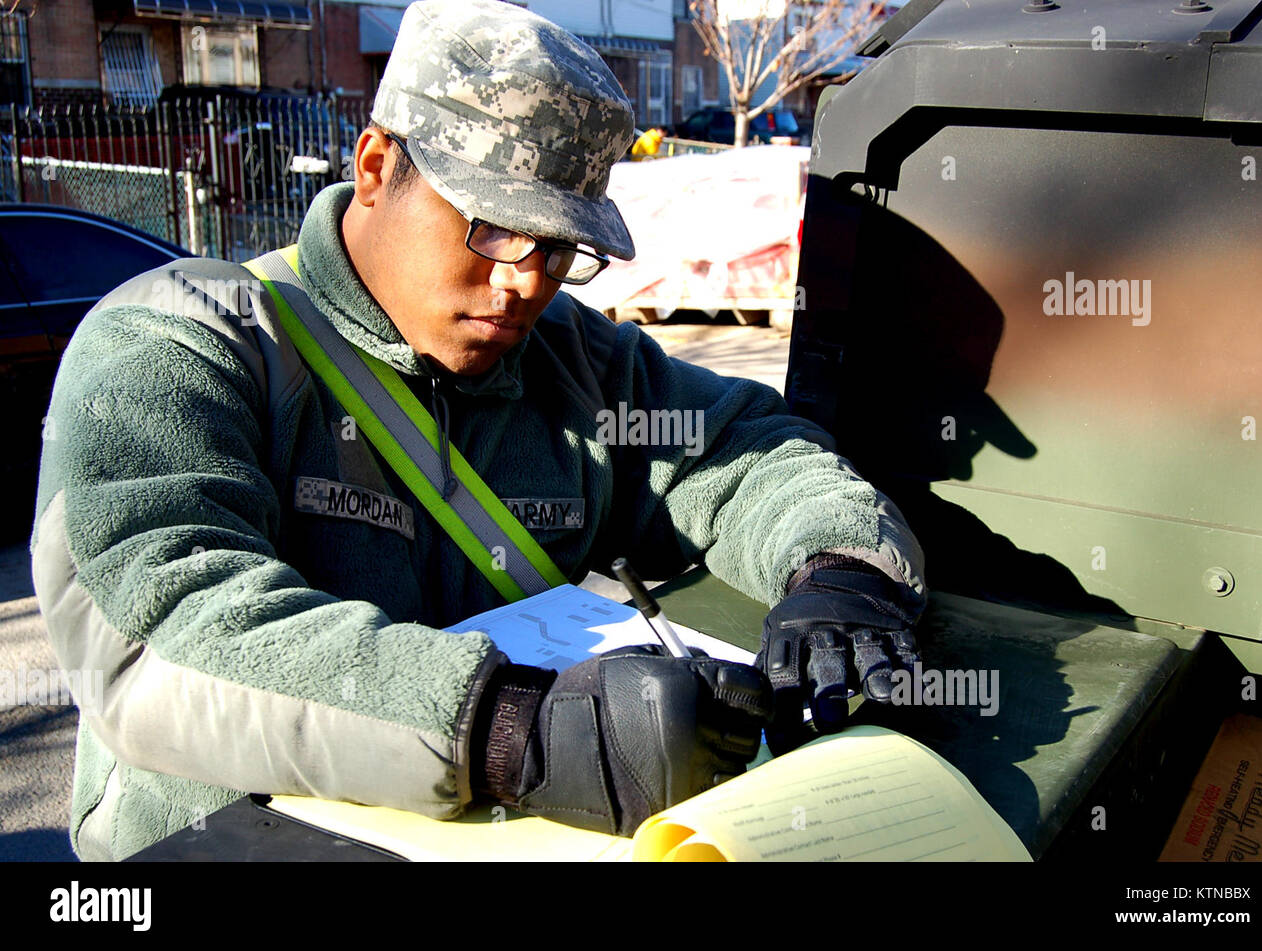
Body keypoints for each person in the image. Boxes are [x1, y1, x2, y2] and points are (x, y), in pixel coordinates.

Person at [32, 0, 926, 860]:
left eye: (560, 247)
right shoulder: (184, 338)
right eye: (496, 228)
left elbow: (740, 452)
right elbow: (156, 637)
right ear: (378, 166)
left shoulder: (572, 362)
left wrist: (839, 573)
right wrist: (511, 728)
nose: (526, 283)